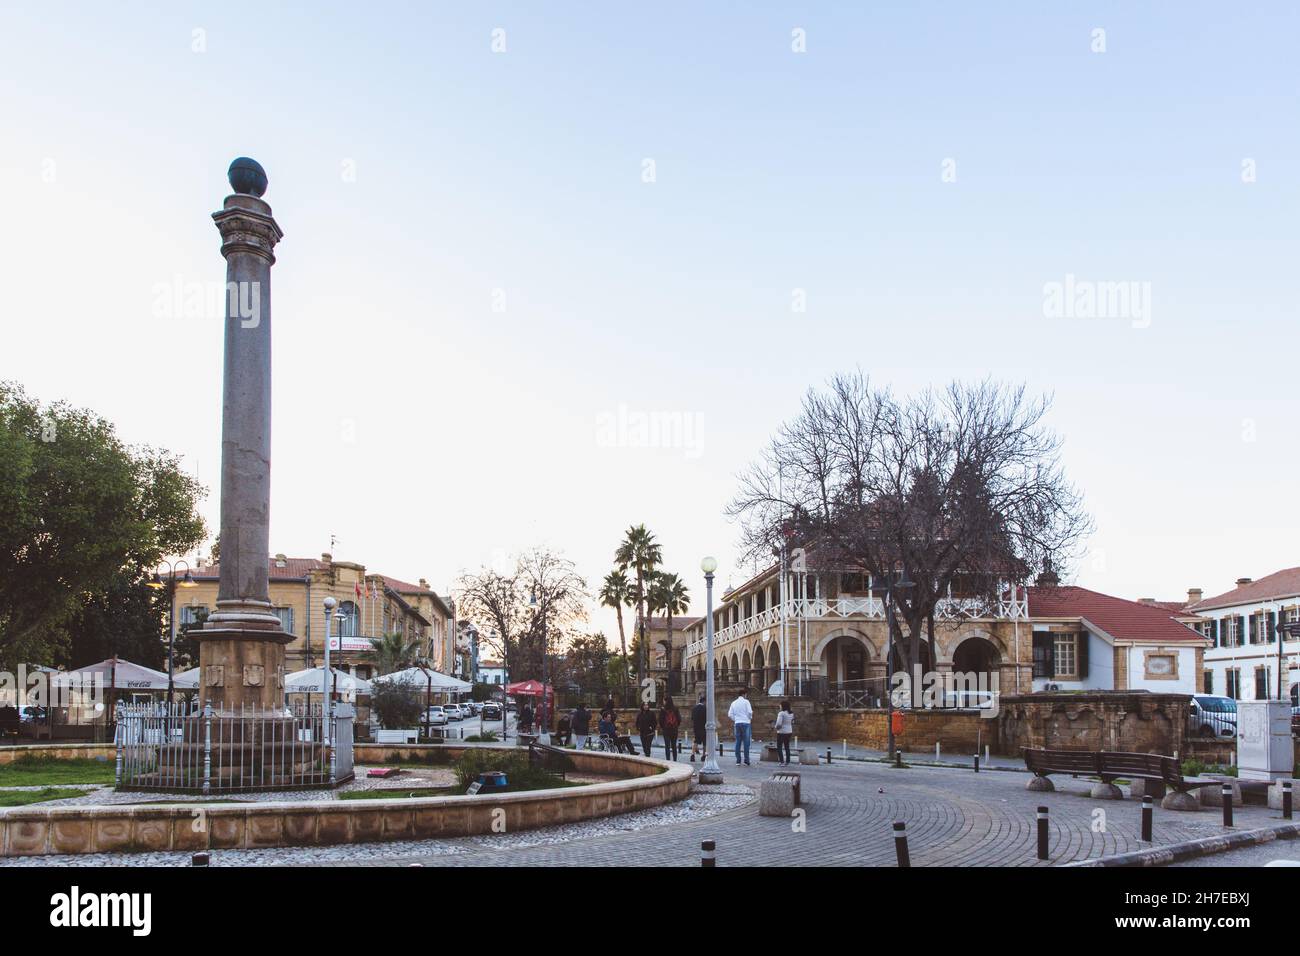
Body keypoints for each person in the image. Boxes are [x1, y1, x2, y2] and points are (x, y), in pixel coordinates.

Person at [728, 688, 753, 766]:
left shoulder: (733, 703)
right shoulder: (746, 702)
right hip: (746, 723)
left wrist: (736, 719)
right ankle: (746, 760)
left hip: (737, 723)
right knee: (746, 742)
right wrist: (749, 717)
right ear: (744, 694)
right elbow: (749, 712)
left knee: (738, 742)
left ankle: (738, 761)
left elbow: (730, 714)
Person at [773, 699, 795, 765]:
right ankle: (787, 761)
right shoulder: (791, 713)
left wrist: (775, 727)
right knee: (787, 746)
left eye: (780, 705)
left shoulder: (781, 713)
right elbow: (793, 722)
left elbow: (779, 723)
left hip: (782, 732)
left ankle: (781, 761)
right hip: (789, 731)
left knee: (779, 747)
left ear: (783, 706)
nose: (779, 706)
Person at [690, 695, 707, 762]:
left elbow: (692, 718)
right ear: (704, 701)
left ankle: (692, 755)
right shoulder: (705, 708)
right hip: (703, 728)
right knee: (704, 742)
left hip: (696, 727)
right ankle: (703, 756)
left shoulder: (694, 708)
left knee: (696, 741)